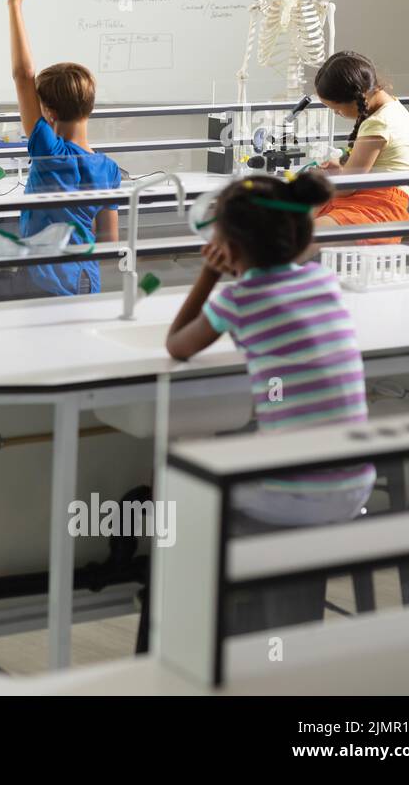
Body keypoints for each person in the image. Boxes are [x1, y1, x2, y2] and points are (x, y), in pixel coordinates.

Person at [165, 171, 376, 634]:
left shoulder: (238, 299)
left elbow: (177, 345)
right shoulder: (323, 281)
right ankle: (273, 631)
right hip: (355, 484)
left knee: (179, 497)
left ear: (230, 248)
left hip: (298, 498)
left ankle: (201, 639)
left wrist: (209, 273)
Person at [0, 0, 121, 303]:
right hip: (85, 284)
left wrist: (15, 5)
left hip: (40, 279)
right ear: (90, 105)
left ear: (48, 112)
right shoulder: (109, 170)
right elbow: (110, 243)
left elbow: (23, 74)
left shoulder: (49, 151)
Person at [314, 51, 409, 243]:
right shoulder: (394, 107)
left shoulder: (378, 123)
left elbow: (347, 188)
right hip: (372, 197)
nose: (336, 114)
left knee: (300, 233)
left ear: (356, 98)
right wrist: (340, 172)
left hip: (377, 206)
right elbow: (360, 175)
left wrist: (322, 183)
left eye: (336, 109)